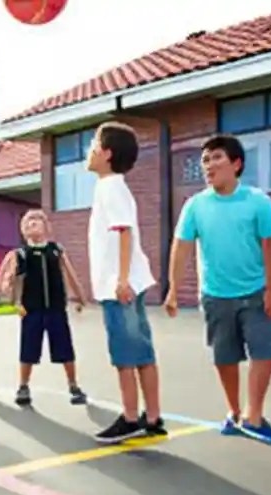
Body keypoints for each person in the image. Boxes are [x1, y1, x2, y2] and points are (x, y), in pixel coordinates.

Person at [164, 134, 271, 444]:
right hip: (216, 295)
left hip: (256, 292)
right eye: (205, 160)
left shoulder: (258, 201)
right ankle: (234, 411)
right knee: (224, 357)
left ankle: (254, 415)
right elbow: (181, 246)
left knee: (264, 352)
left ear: (236, 164)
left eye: (217, 158)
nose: (209, 165)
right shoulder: (195, 205)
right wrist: (173, 288)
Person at [85, 121, 165, 443]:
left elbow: (124, 231)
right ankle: (153, 416)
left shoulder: (110, 186)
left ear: (106, 154)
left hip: (120, 287)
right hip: (126, 283)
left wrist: (120, 279)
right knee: (142, 351)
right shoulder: (111, 186)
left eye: (93, 145)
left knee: (125, 355)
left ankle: (131, 417)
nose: (88, 152)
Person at [9, 208, 88, 406]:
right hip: (32, 310)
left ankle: (73, 385)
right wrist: (16, 302)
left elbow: (69, 273)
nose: (32, 224)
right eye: (28, 222)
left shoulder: (56, 250)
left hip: (56, 309)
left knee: (64, 348)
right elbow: (16, 280)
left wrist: (80, 296)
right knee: (28, 349)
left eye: (36, 220)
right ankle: (23, 386)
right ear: (23, 230)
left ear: (46, 227)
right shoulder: (22, 254)